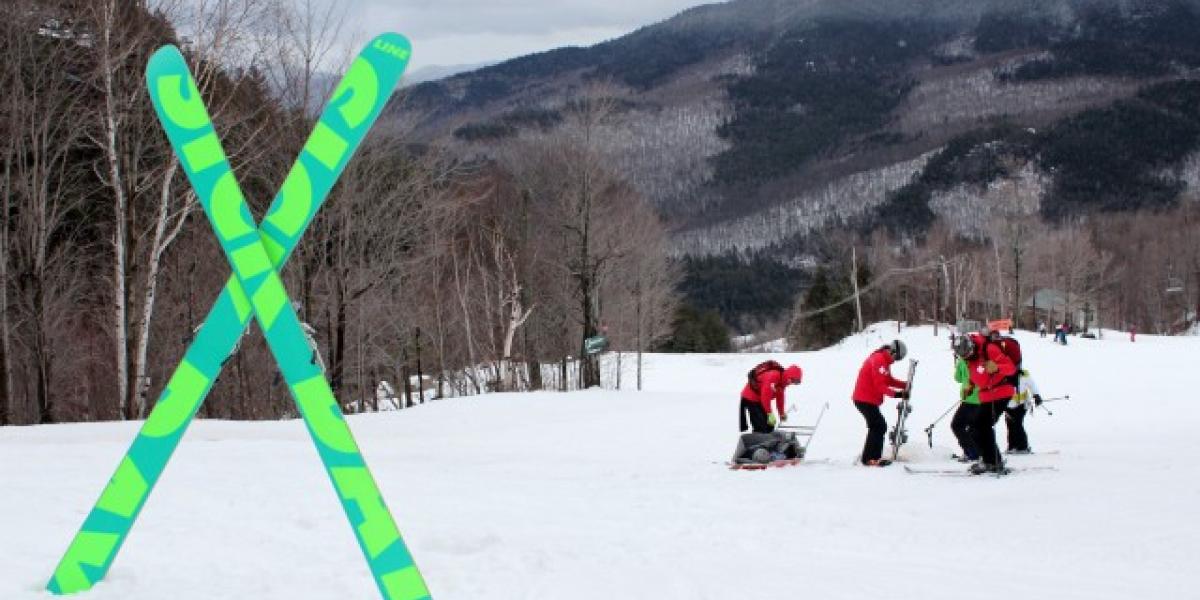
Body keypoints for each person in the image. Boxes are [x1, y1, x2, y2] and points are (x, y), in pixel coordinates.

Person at [953, 333, 1017, 474]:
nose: (967, 358)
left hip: (1001, 391)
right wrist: (970, 385)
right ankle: (989, 460)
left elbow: (1011, 368)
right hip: (986, 394)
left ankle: (994, 462)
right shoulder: (968, 356)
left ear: (972, 346)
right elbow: (974, 372)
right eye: (964, 357)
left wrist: (997, 367)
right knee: (976, 428)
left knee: (982, 426)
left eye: (968, 354)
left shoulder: (990, 349)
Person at [851, 340, 909, 467]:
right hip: (864, 398)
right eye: (897, 357)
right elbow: (879, 385)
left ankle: (868, 457)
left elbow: (888, 380)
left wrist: (904, 384)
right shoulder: (879, 360)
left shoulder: (883, 360)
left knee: (877, 426)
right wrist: (898, 394)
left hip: (867, 398)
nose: (896, 360)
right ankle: (871, 458)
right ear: (893, 351)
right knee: (879, 426)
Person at [739, 362, 802, 433]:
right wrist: (769, 413)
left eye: (795, 382)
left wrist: (781, 413)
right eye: (792, 380)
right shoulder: (773, 376)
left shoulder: (782, 381)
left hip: (759, 400)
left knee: (770, 426)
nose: (791, 383)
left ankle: (767, 442)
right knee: (761, 425)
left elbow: (780, 398)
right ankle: (757, 442)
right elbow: (765, 397)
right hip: (750, 398)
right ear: (788, 375)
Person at [1005, 369, 1043, 454]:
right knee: (1010, 425)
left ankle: (1023, 447)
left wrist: (1036, 395)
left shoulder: (1024, 374)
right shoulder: (1002, 373)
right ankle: (1012, 447)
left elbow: (1032, 385)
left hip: (1022, 405)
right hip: (1007, 406)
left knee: (1017, 424)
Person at [951, 354, 981, 462]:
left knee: (957, 425)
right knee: (973, 427)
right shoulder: (979, 359)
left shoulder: (962, 361)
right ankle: (976, 452)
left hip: (969, 400)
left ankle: (972, 453)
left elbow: (957, 378)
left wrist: (958, 365)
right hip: (980, 400)